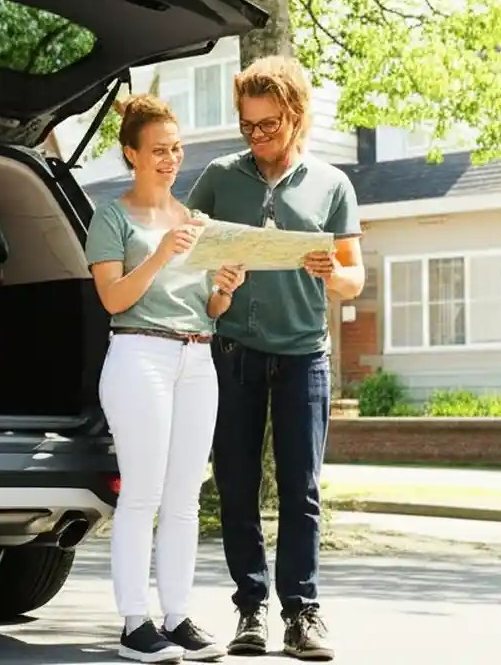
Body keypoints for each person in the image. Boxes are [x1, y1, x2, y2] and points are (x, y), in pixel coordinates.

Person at [185, 56, 365, 661]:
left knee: (300, 489)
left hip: (303, 357)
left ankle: (302, 613)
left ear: (295, 117)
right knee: (236, 486)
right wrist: (215, 272)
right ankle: (250, 609)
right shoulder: (218, 177)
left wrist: (330, 272)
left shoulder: (331, 185)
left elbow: (355, 281)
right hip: (234, 351)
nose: (257, 137)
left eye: (268, 125)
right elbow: (184, 250)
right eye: (248, 127)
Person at [86, 94, 248, 663]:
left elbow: (209, 307)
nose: (170, 159)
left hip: (196, 358)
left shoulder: (196, 222)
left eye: (176, 149)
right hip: (138, 356)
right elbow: (113, 298)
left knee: (185, 498)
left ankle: (177, 617)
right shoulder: (111, 216)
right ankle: (135, 624)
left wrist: (225, 287)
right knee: (144, 494)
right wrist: (158, 255)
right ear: (131, 153)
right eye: (158, 150)